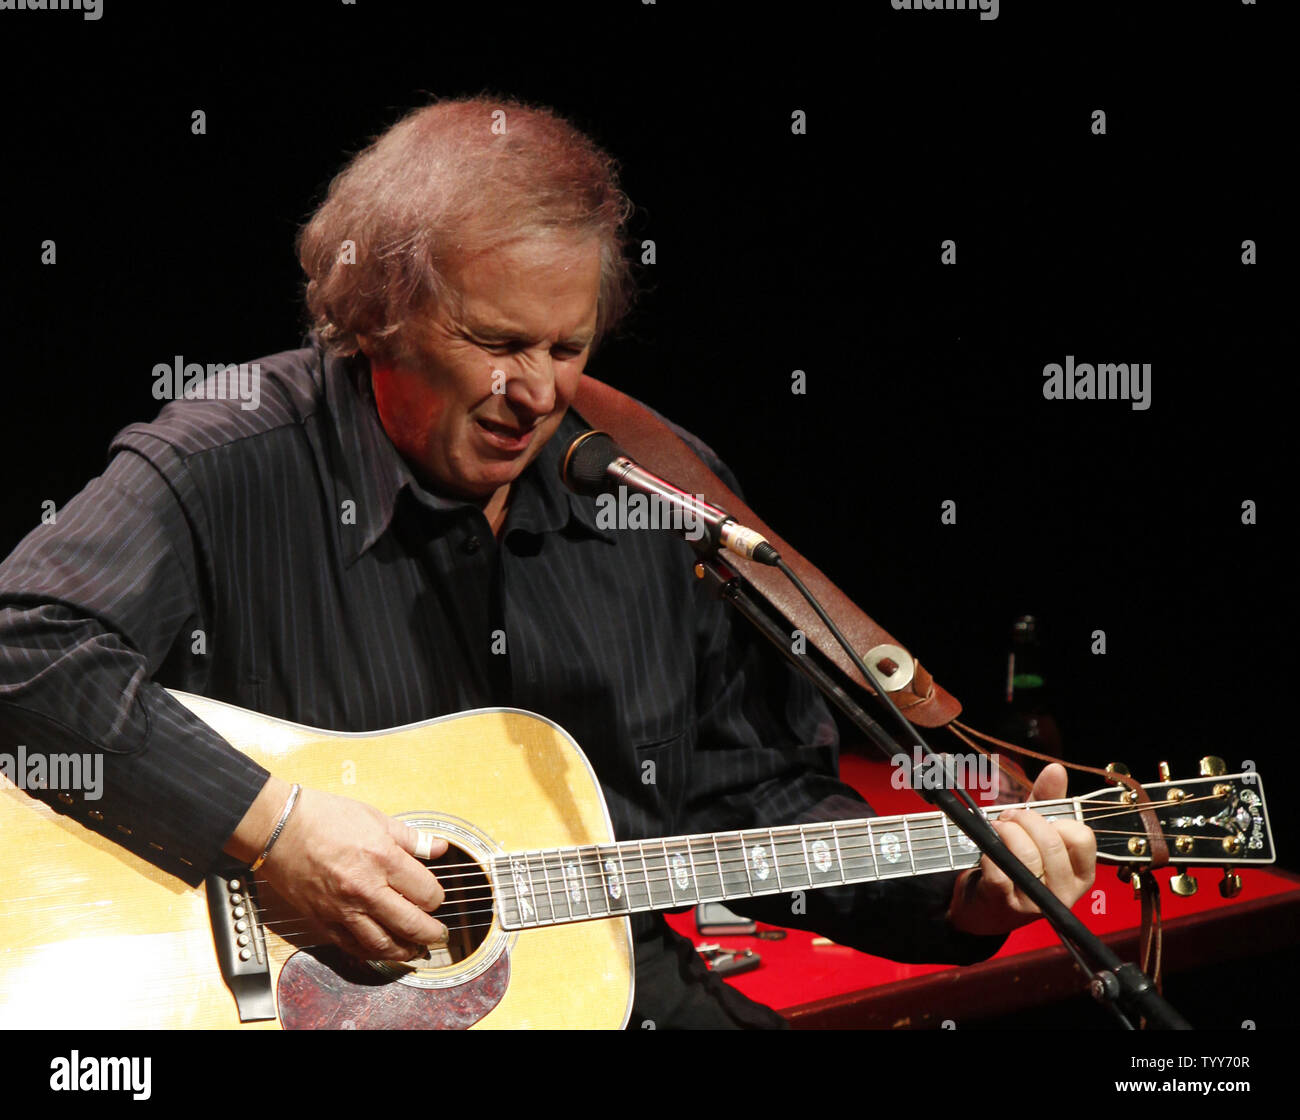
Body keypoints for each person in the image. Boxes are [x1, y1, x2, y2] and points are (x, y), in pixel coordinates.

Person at [0, 96, 1096, 1028]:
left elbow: (746, 798)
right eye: (494, 343)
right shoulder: (232, 460)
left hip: (606, 996)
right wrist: (274, 828)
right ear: (379, 315)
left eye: (566, 348)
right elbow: (23, 645)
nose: (535, 392)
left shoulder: (657, 494)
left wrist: (966, 895)